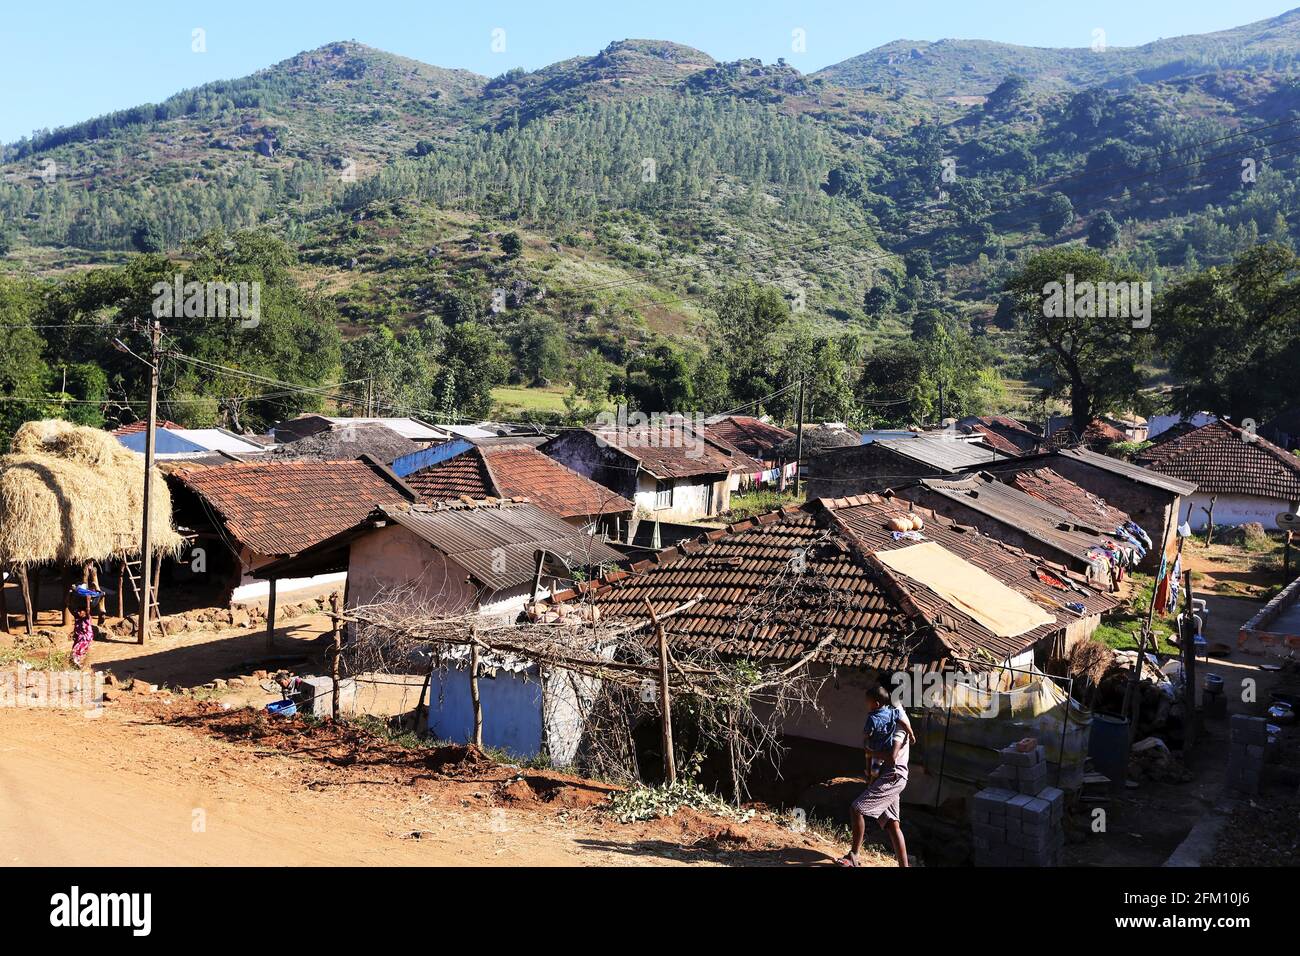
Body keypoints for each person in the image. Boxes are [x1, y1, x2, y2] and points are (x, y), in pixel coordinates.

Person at [838, 685, 915, 867]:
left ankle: (854, 856)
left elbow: (891, 757)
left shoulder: (897, 727)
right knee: (892, 824)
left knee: (856, 808)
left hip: (893, 776)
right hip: (887, 776)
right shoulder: (891, 720)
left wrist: (869, 751)